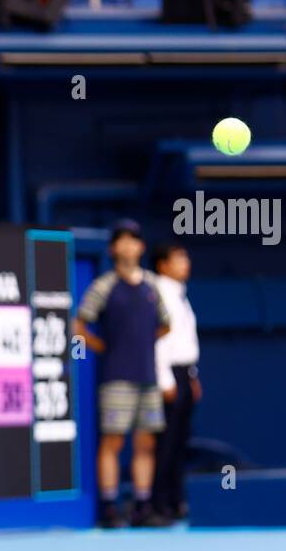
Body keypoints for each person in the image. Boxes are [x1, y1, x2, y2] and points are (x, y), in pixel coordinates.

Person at [72, 220, 172, 529]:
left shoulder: (153, 287)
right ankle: (110, 508)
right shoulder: (104, 286)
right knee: (113, 443)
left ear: (140, 247)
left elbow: (166, 324)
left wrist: (141, 344)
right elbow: (79, 325)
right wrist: (104, 347)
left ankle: (143, 506)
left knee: (146, 444)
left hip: (148, 376)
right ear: (113, 248)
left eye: (134, 240)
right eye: (122, 241)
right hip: (116, 377)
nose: (129, 246)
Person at [151, 242, 200, 521]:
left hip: (184, 373)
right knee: (166, 442)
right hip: (167, 375)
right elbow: (160, 341)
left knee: (180, 440)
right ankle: (160, 503)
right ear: (163, 265)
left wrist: (191, 376)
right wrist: (165, 379)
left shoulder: (180, 295)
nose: (186, 263)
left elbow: (185, 341)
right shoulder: (160, 294)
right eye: (179, 258)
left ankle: (176, 499)